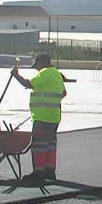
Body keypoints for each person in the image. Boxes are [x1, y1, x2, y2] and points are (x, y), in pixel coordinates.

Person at [11, 53, 66, 183]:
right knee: (50, 144)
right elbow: (63, 93)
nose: (36, 68)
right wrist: (53, 100)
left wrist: (16, 75)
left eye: (37, 64)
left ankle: (39, 172)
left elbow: (28, 84)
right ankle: (49, 171)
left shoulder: (45, 73)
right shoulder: (56, 74)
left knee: (39, 144)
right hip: (54, 117)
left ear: (43, 63)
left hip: (43, 117)